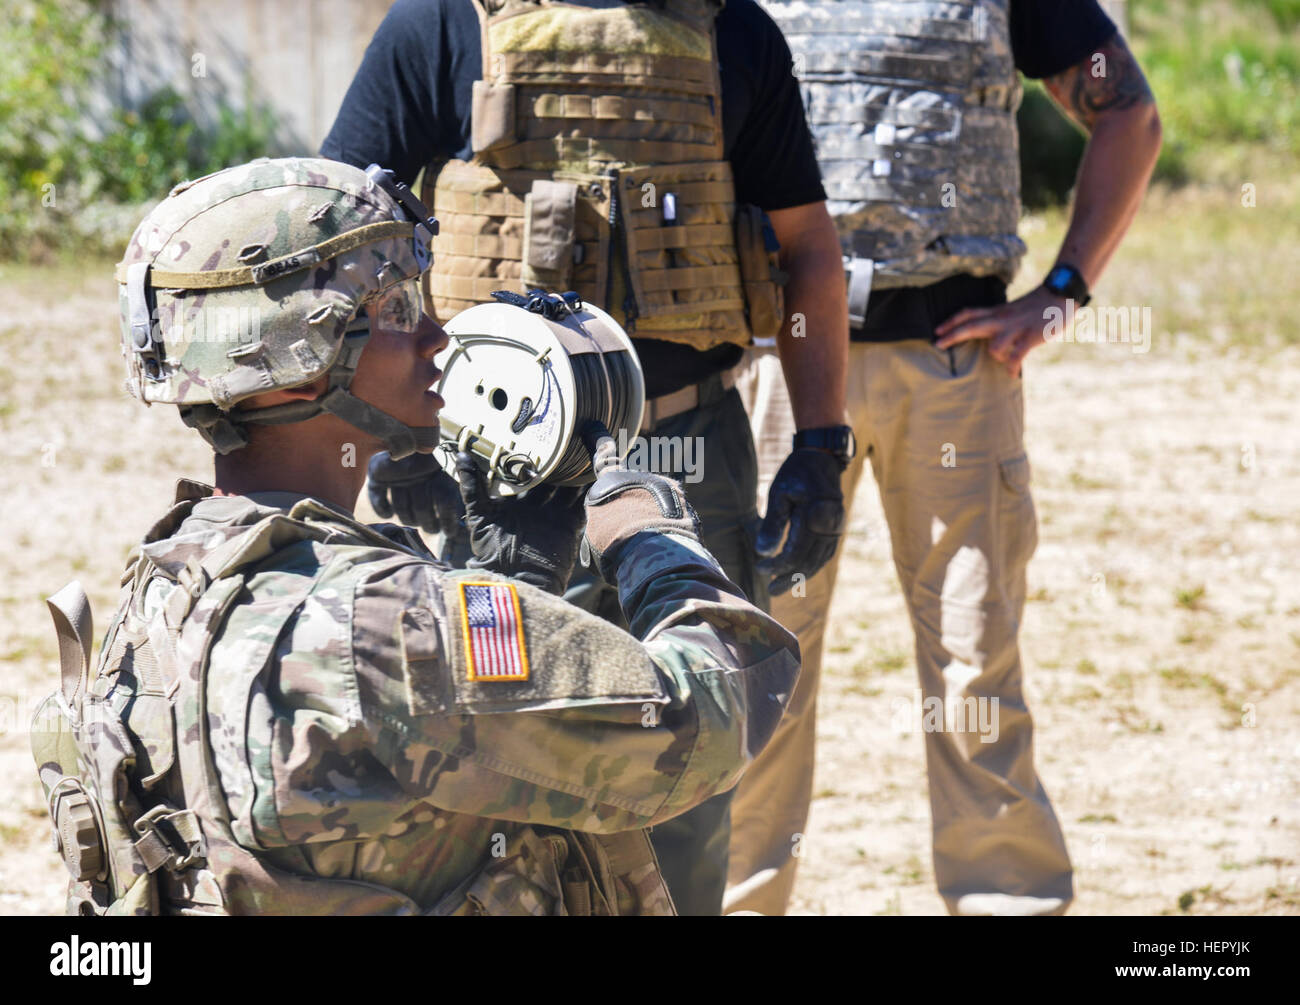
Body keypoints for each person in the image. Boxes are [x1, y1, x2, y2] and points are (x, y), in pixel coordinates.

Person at [30, 156, 800, 916]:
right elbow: (708, 722)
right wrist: (647, 534)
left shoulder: (161, 588)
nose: (438, 340)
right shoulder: (395, 623)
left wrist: (512, 586)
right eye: (397, 309)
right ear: (299, 363)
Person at [320, 0, 851, 914]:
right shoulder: (443, 25)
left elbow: (807, 249)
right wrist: (386, 428)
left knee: (692, 765)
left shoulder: (731, 33)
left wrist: (819, 442)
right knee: (483, 759)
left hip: (686, 459)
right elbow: (336, 240)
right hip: (482, 470)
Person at [729, 0, 1163, 915]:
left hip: (952, 362)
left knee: (975, 662)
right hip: (779, 357)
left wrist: (1063, 290)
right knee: (751, 662)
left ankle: (1007, 898)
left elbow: (1128, 111)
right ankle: (735, 900)